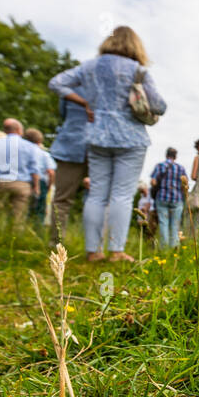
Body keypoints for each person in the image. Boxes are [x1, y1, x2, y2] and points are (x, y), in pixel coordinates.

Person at [49, 26, 166, 263]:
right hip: (130, 137)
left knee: (97, 195)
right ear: (135, 45)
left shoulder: (90, 67)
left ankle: (94, 252)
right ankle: (117, 251)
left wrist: (84, 102)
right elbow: (160, 106)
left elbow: (56, 83)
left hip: (97, 135)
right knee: (122, 195)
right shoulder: (138, 71)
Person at [46, 95, 88, 246]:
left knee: (62, 199)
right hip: (99, 147)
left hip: (72, 144)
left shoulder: (70, 88)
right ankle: (96, 247)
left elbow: (63, 113)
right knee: (101, 199)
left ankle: (56, 242)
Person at [0, 118, 42, 223]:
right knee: (18, 217)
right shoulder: (30, 146)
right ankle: (16, 237)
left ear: (5, 130)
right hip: (22, 185)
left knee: (1, 215)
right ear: (19, 129)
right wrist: (36, 187)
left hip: (1, 183)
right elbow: (34, 170)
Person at [149, 146, 188, 249]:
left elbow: (153, 182)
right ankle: (175, 247)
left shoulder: (160, 166)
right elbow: (185, 184)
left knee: (163, 223)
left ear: (166, 155)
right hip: (177, 199)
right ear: (175, 157)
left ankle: (164, 248)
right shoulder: (181, 168)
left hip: (162, 198)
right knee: (175, 224)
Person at [24, 127, 55, 223]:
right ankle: (37, 232)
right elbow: (51, 172)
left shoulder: (23, 151)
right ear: (39, 140)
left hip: (25, 181)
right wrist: (49, 186)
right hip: (41, 183)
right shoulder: (43, 154)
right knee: (40, 210)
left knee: (25, 209)